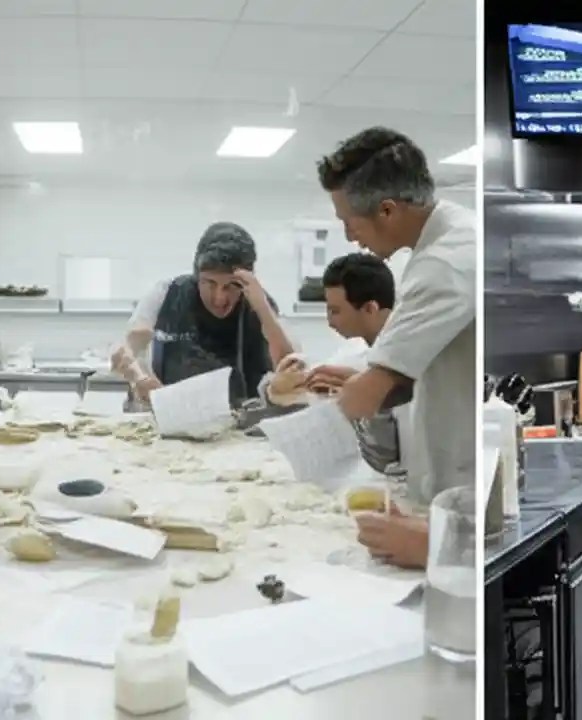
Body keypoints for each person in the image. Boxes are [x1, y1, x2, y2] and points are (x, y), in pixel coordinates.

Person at [316, 127, 476, 568]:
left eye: (349, 222)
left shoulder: (442, 265)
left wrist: (302, 450)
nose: (351, 237)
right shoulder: (455, 234)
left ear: (386, 210)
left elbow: (374, 394)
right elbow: (407, 377)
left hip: (463, 496)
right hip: (450, 490)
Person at [110, 222, 295, 411]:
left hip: (241, 426)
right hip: (170, 420)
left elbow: (291, 368)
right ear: (197, 275)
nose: (220, 298)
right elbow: (128, 346)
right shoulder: (168, 293)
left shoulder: (260, 303)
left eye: (231, 285)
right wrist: (140, 377)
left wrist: (262, 308)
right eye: (210, 283)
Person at [264, 252, 404, 475]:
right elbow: (313, 376)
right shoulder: (357, 350)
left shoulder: (403, 356)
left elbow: (390, 454)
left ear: (370, 309)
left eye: (335, 311)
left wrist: (371, 395)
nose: (329, 321)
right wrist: (276, 387)